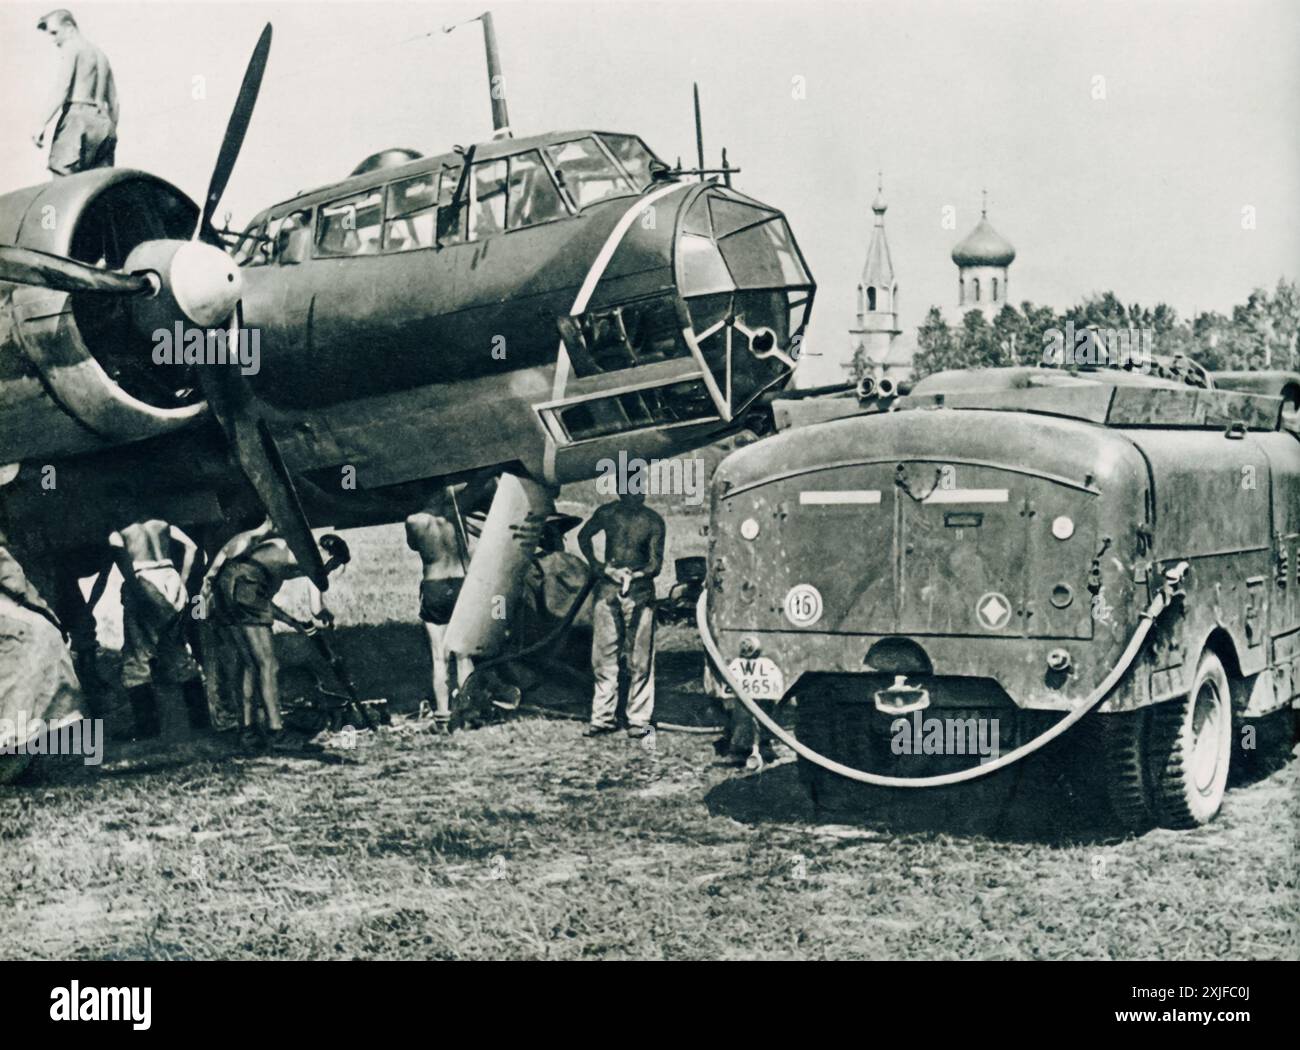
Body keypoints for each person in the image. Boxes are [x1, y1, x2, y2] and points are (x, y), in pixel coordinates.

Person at [205, 522, 349, 747]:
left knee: (250, 665)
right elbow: (313, 606)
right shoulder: (305, 555)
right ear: (327, 553)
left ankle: (248, 732)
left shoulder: (276, 561)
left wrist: (292, 621)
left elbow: (259, 602)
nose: (329, 569)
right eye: (334, 563)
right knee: (268, 665)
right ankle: (276, 732)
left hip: (227, 586)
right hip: (239, 586)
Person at [97, 519, 207, 740]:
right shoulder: (162, 524)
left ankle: (147, 729)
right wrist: (183, 580)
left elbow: (125, 567)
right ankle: (201, 721)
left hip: (144, 581)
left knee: (137, 656)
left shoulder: (118, 531)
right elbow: (193, 547)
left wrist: (138, 595)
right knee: (176, 649)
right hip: (171, 579)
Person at [577, 490, 665, 739]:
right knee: (603, 657)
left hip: (640, 593)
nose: (637, 493)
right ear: (620, 489)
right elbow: (584, 536)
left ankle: (638, 719)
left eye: (641, 486)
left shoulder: (653, 520)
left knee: (640, 659)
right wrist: (602, 568)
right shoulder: (607, 513)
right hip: (608, 590)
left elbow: (655, 564)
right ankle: (602, 718)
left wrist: (633, 576)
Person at [0, 532, 83, 783]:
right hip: (24, 628)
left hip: (19, 632)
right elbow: (20, 587)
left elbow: (16, 584)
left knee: (20, 698)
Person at [405, 492, 472, 731]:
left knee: (439, 656)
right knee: (464, 655)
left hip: (434, 585)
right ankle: (464, 712)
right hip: (460, 582)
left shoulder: (414, 520)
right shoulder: (456, 515)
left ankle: (443, 715)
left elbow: (414, 545)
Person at [33, 10, 119, 177]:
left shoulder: (72, 47)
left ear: (69, 27)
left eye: (55, 33)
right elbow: (114, 102)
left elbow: (62, 87)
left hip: (76, 119)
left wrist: (41, 123)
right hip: (103, 125)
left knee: (63, 187)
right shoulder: (101, 55)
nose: (54, 40)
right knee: (98, 190)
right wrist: (111, 128)